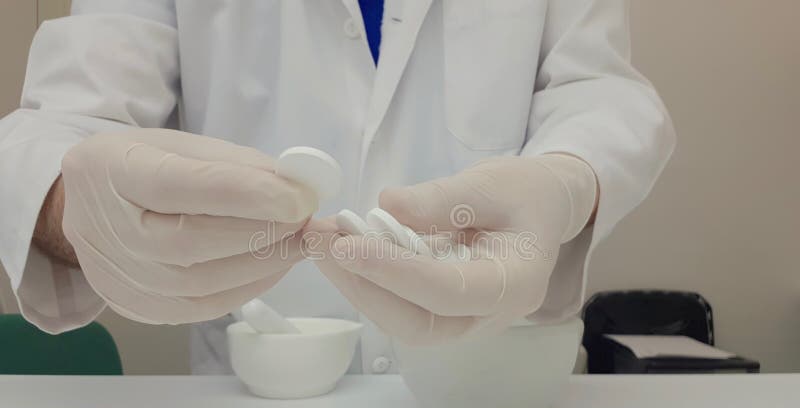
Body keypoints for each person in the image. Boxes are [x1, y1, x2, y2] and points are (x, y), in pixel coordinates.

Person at [0, 0, 675, 374]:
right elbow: (57, 123)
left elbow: (601, 88)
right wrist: (67, 202)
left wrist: (567, 179)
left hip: (491, 395)